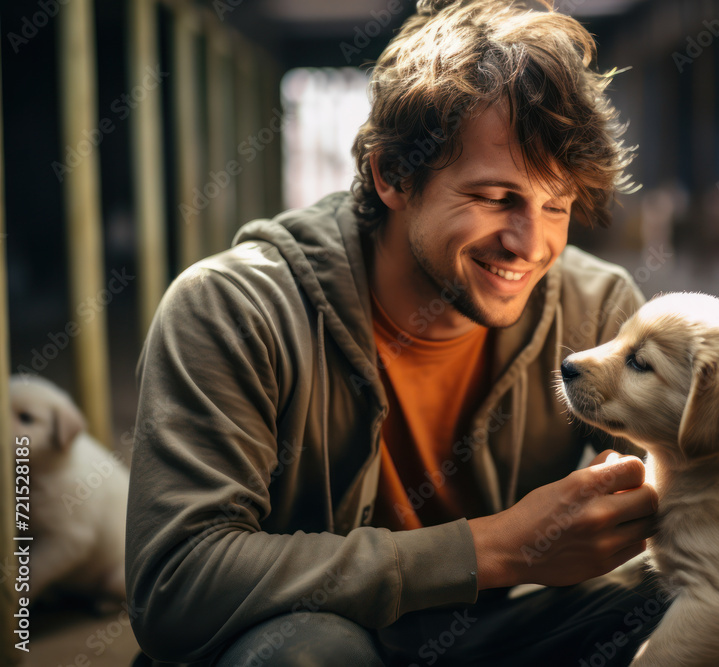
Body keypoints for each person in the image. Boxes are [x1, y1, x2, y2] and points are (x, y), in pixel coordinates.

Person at [126, 1, 665, 665]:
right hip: (315, 635)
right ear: (392, 175)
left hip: (491, 638)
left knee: (700, 594)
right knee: (307, 655)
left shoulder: (594, 308)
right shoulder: (233, 309)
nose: (531, 244)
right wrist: (496, 548)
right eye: (495, 198)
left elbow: (711, 492)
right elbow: (176, 584)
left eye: (555, 205)